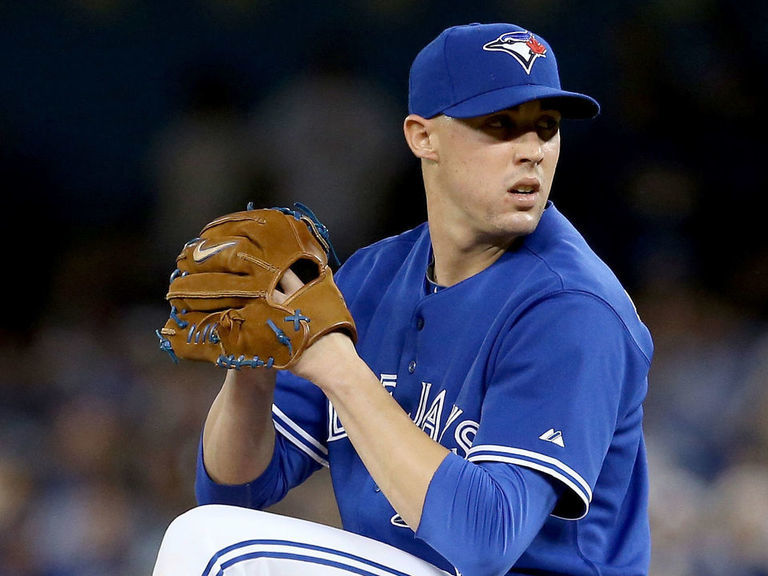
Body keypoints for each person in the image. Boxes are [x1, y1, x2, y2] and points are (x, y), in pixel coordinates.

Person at [152, 22, 653, 576]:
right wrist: (253, 363)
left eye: (546, 128)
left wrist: (340, 368)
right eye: (499, 125)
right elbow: (234, 491)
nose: (531, 151)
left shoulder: (573, 307)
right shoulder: (372, 277)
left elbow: (486, 541)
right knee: (206, 533)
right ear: (422, 136)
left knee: (209, 546)